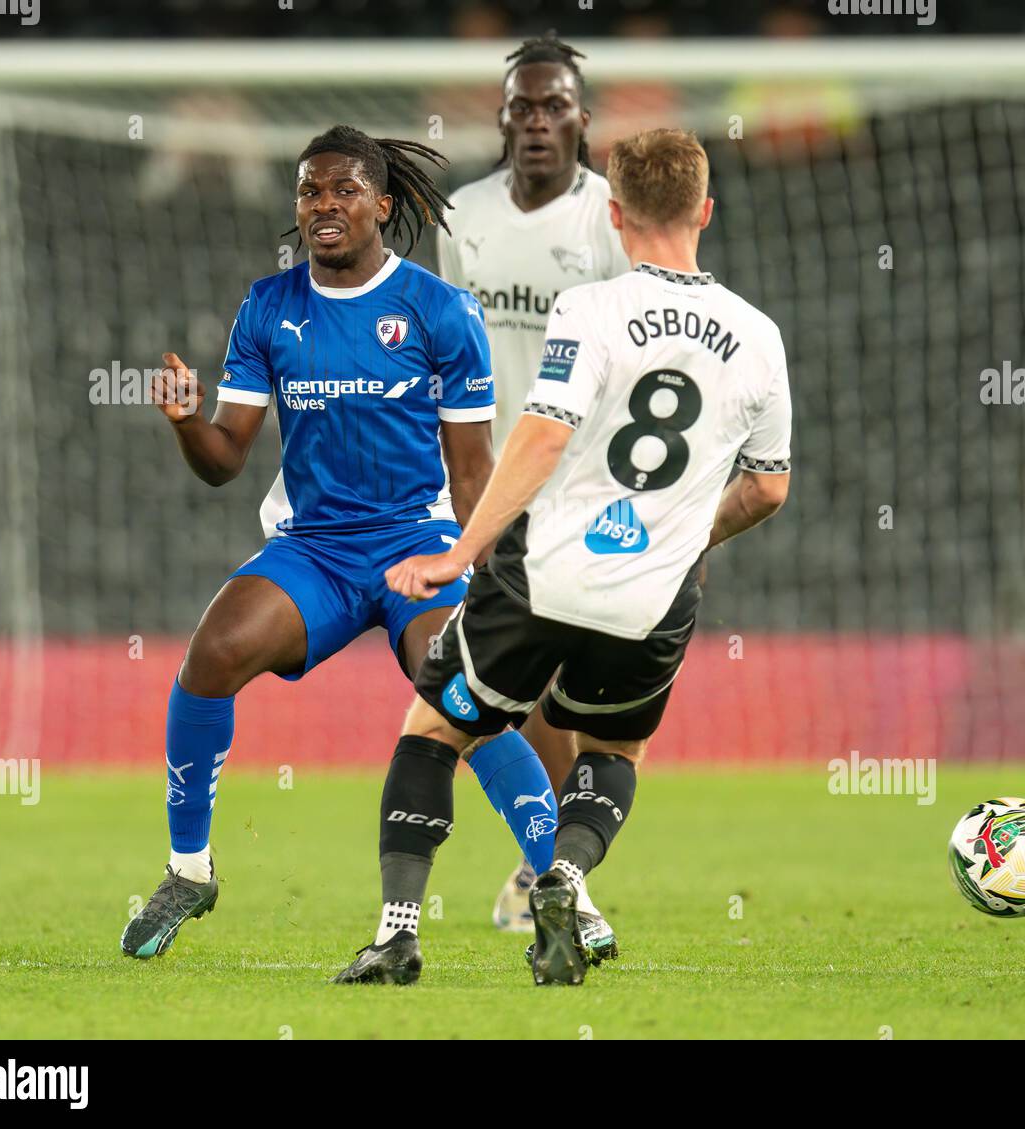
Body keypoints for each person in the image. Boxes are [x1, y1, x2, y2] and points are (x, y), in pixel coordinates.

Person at [332, 128, 791, 986]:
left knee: (434, 729)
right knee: (610, 755)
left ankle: (398, 935)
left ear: (614, 215)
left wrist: (458, 553)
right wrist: (688, 535)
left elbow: (543, 435)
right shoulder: (760, 336)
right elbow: (768, 489)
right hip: (654, 598)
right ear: (707, 211)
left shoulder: (590, 309)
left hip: (542, 576)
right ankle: (566, 880)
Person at [121, 126, 556, 961]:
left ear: (382, 206)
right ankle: (189, 869)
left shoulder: (440, 309)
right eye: (310, 192)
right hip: (315, 548)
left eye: (344, 190)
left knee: (464, 691)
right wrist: (185, 420)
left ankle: (559, 884)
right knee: (210, 656)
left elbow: (472, 472)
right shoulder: (270, 306)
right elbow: (225, 461)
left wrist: (489, 564)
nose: (324, 205)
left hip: (417, 539)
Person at [437, 33, 630, 950]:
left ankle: (553, 861)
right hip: (484, 490)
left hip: (586, 489)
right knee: (477, 692)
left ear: (583, 122)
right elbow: (442, 354)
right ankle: (551, 862)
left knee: (551, 700)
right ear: (503, 116)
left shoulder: (611, 223)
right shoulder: (460, 218)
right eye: (525, 105)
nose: (540, 120)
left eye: (558, 106)